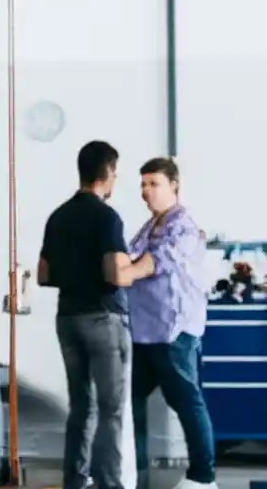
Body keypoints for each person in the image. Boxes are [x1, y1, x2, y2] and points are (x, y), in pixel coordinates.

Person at [35, 140, 134, 489]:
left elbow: (44, 273)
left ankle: (75, 481)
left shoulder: (58, 216)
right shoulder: (107, 217)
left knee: (81, 407)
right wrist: (138, 268)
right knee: (111, 410)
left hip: (68, 318)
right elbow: (115, 273)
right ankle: (109, 483)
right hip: (104, 319)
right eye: (116, 173)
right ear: (107, 173)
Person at [119, 157, 217, 489]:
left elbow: (154, 262)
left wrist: (123, 272)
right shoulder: (150, 226)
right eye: (143, 184)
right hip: (144, 331)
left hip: (173, 331)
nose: (146, 191)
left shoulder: (182, 225)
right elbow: (131, 255)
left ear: (173, 185)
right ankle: (135, 471)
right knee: (129, 400)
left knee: (187, 402)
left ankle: (203, 478)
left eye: (154, 184)